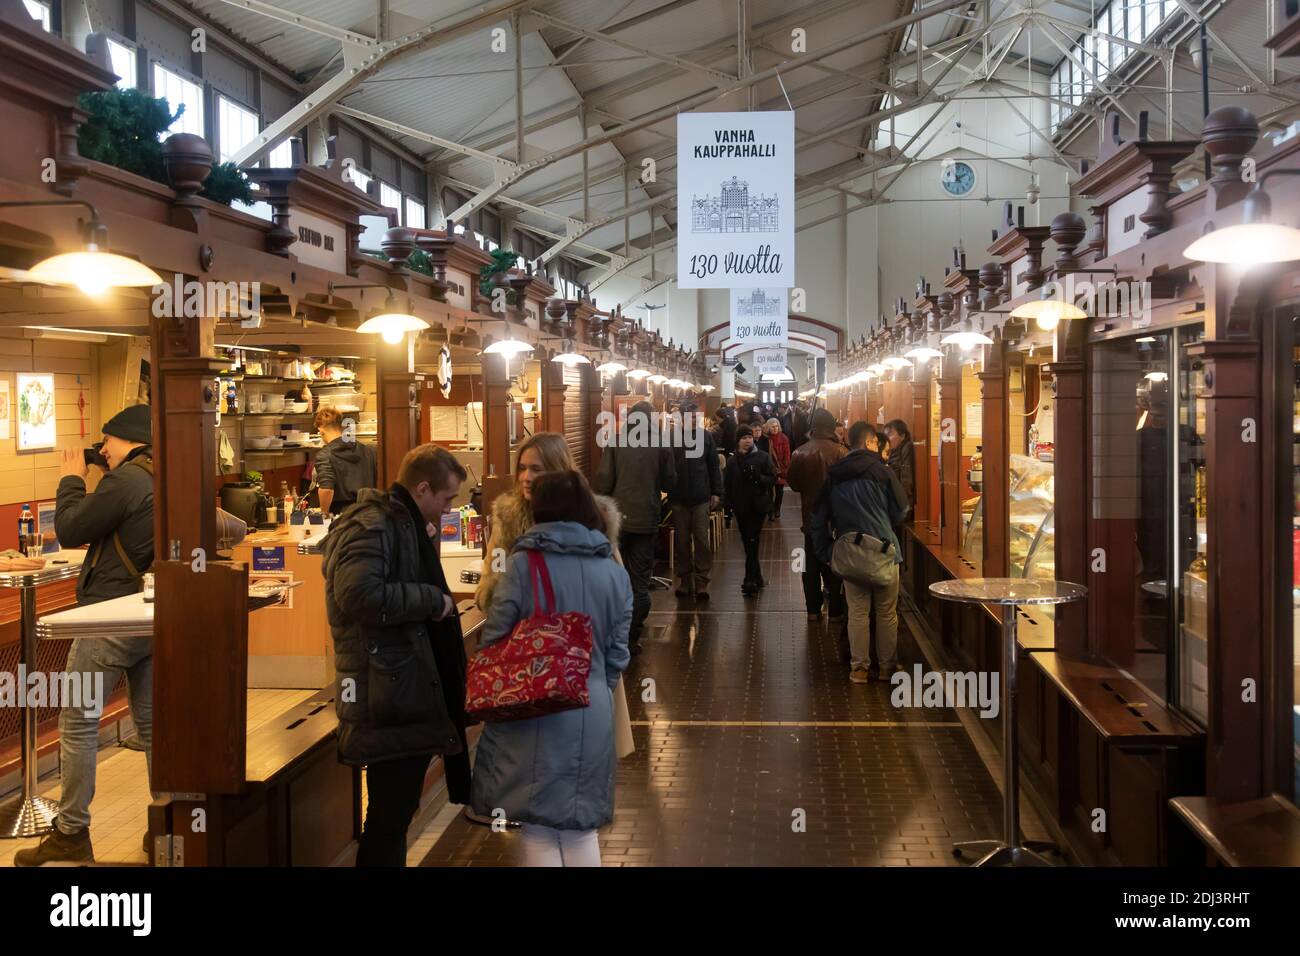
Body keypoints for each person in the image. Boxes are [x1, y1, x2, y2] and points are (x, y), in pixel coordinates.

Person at [16, 406, 156, 866]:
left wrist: (71, 478)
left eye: (108, 442)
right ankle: (167, 819)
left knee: (77, 722)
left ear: (130, 440)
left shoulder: (128, 480)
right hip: (148, 614)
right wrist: (99, 468)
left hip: (108, 617)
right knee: (154, 726)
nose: (103, 450)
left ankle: (71, 832)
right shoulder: (157, 474)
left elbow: (72, 528)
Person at [470, 471, 631, 867]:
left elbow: (494, 638)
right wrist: (592, 685)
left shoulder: (524, 566)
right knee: (581, 827)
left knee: (539, 827)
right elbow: (618, 653)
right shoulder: (614, 571)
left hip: (534, 709)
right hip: (592, 709)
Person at [322, 444, 470, 866]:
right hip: (384, 692)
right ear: (422, 488)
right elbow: (358, 596)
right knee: (389, 816)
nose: (448, 510)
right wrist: (430, 598)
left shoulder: (400, 523)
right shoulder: (373, 526)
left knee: (396, 812)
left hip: (397, 687)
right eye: (446, 500)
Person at [477, 432, 622, 612]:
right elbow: (494, 576)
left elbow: (615, 582)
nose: (526, 477)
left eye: (536, 469)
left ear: (558, 471)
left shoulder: (597, 515)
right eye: (522, 468)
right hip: (529, 626)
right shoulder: (508, 517)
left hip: (585, 625)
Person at [810, 422, 909, 684]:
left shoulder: (834, 475)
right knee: (886, 613)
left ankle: (859, 669)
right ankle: (887, 668)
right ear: (869, 443)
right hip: (885, 552)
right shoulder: (883, 472)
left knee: (856, 612)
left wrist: (827, 552)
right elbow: (901, 510)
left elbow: (818, 516)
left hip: (851, 552)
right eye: (876, 443)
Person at [594, 401, 675, 653]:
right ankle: (632, 636)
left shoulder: (615, 440)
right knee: (639, 579)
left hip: (617, 520)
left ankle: (612, 632)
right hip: (646, 519)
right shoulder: (661, 442)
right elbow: (669, 480)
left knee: (613, 576)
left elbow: (604, 480)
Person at [787, 408, 849, 631]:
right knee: (834, 566)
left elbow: (793, 484)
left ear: (812, 426)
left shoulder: (800, 452)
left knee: (810, 566)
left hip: (810, 519)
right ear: (832, 427)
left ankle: (813, 611)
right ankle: (835, 613)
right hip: (836, 521)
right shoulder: (842, 453)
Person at [667, 403, 722, 600]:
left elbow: (713, 465)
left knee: (701, 539)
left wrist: (716, 492)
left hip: (701, 497)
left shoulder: (706, 437)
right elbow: (666, 464)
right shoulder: (671, 438)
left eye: (694, 417)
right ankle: (684, 580)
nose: (691, 420)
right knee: (682, 541)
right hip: (679, 497)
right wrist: (668, 485)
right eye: (687, 417)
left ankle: (702, 582)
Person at [723, 424, 776, 595]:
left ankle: (749, 579)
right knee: (748, 541)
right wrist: (727, 509)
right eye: (744, 438)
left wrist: (758, 477)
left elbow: (772, 478)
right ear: (738, 441)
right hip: (741, 507)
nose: (747, 441)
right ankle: (757, 576)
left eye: (749, 437)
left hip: (758, 506)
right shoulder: (732, 462)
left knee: (752, 539)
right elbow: (728, 486)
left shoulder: (763, 457)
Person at [312, 405, 378, 515]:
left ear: (321, 430)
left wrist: (324, 514)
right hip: (369, 512)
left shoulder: (324, 455)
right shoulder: (368, 450)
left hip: (342, 516)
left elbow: (326, 489)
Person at [764, 418, 791, 519]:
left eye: (776, 426)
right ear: (768, 428)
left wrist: (784, 466)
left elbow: (787, 454)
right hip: (769, 468)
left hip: (780, 468)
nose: (775, 428)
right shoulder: (766, 439)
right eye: (772, 427)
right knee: (769, 491)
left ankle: (777, 509)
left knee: (780, 491)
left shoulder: (784, 438)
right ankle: (770, 511)